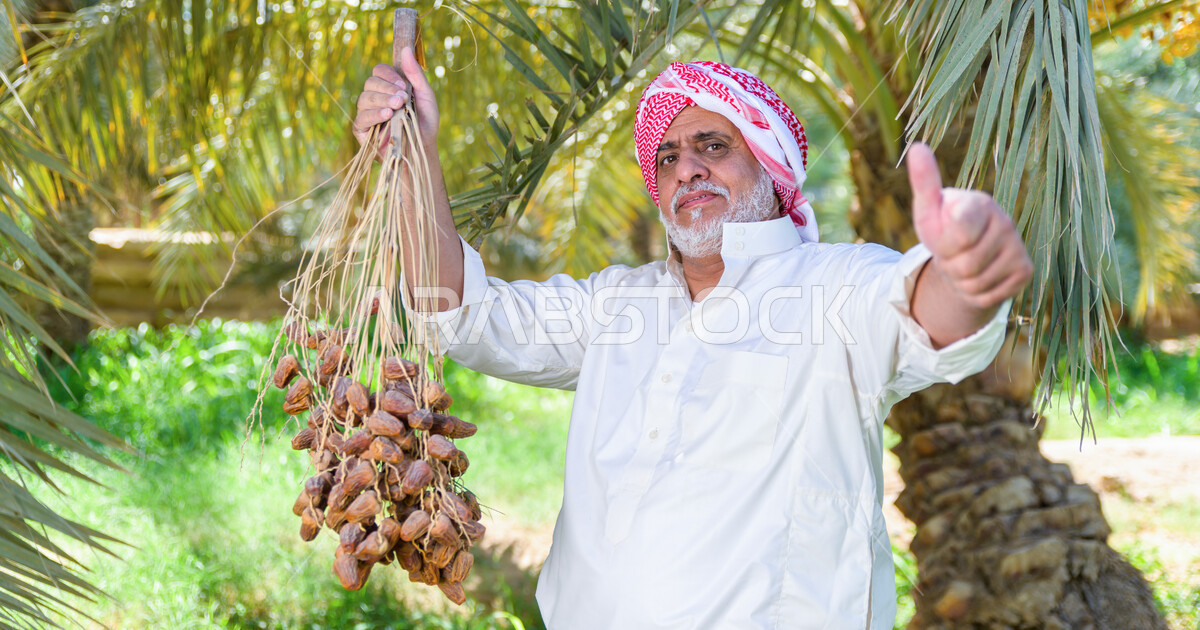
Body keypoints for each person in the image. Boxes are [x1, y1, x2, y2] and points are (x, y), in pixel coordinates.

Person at [353, 52, 1033, 629]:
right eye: (669, 156)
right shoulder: (616, 303)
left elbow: (925, 313)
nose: (686, 169)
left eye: (714, 145)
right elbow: (462, 312)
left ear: (771, 166)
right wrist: (416, 157)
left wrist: (966, 273)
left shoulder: (832, 286)